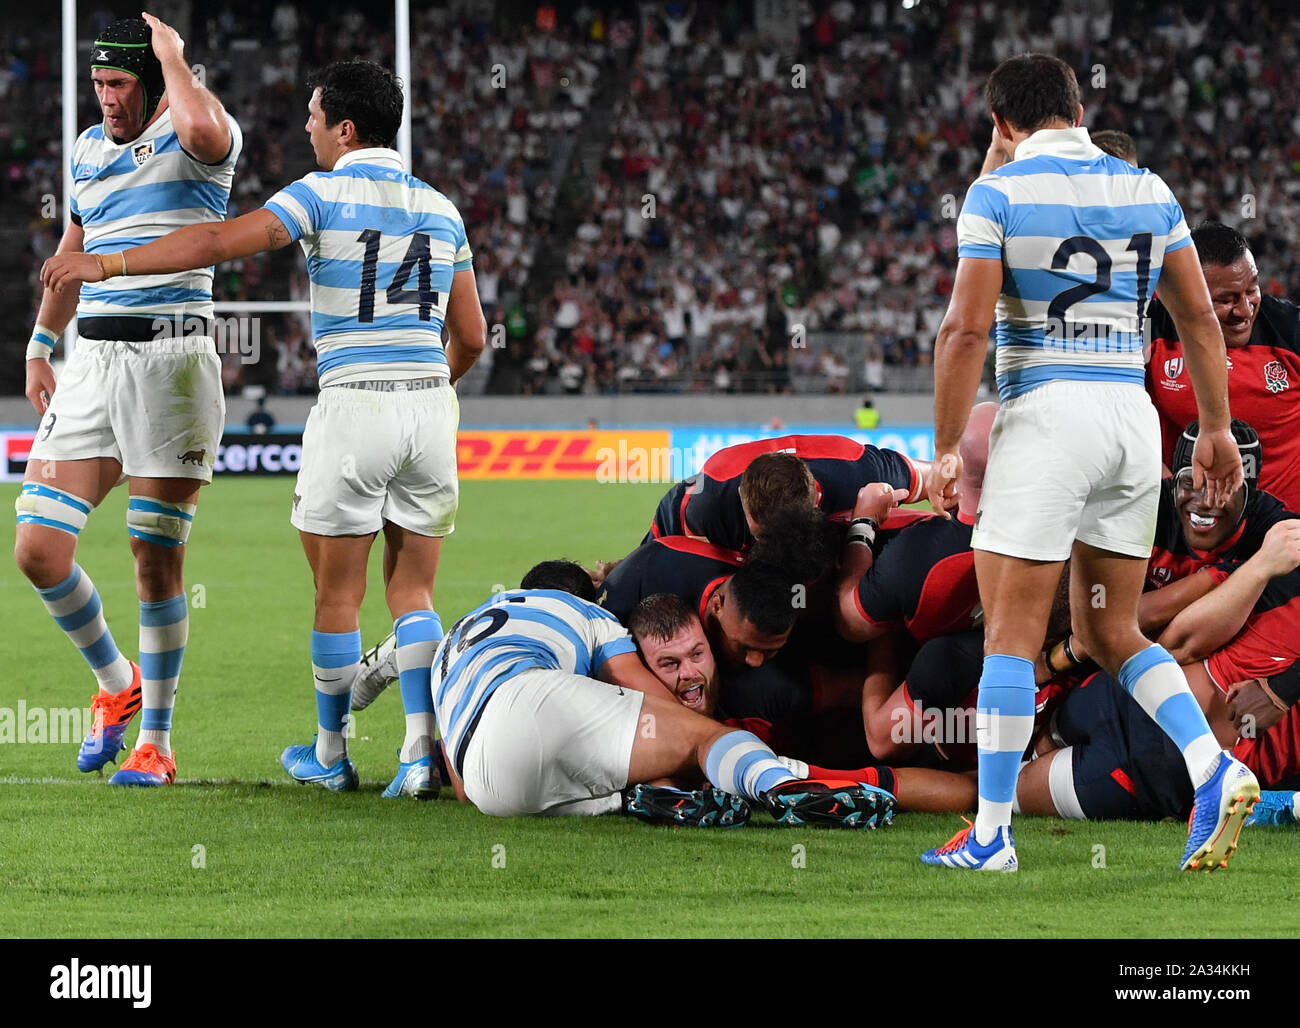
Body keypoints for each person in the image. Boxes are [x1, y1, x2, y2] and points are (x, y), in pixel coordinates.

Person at [44, 59, 488, 798]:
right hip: (431, 405)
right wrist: (430, 388)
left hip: (356, 402)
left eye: (314, 118)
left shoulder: (320, 191)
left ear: (346, 129)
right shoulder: (442, 209)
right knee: (413, 593)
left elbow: (218, 243)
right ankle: (417, 755)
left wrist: (109, 261)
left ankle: (332, 752)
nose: (307, 129)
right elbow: (471, 335)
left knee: (336, 595)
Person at [923, 53, 1253, 873]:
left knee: (1009, 636)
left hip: (1046, 419)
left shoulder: (995, 195)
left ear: (1000, 124)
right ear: (1077, 108)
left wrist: (939, 447)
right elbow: (1201, 321)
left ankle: (993, 836)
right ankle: (1214, 765)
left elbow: (964, 332)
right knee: (1111, 627)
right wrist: (1215, 429)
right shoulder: (1147, 188)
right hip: (1129, 424)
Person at [15, 14, 242, 786]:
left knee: (153, 558)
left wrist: (175, 59)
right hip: (93, 361)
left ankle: (158, 741)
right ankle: (116, 686)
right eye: (100, 83)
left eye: (120, 83)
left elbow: (206, 128)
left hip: (171, 362)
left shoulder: (194, 132)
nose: (108, 98)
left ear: (151, 82)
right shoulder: (84, 149)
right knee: (38, 550)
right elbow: (70, 251)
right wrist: (42, 343)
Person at [431, 560, 896, 828]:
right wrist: (700, 740)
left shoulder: (451, 644)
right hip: (528, 696)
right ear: (588, 594)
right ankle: (781, 786)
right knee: (694, 739)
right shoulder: (584, 612)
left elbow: (464, 791)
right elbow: (643, 691)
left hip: (489, 785)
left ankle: (641, 798)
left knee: (593, 772)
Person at [626, 592, 979, 815]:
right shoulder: (638, 726)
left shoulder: (763, 689)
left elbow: (860, 690)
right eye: (669, 664)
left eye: (697, 654)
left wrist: (883, 641)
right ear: (642, 670)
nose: (689, 673)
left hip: (884, 754)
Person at [1146, 222, 1300, 513]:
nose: (1244, 310)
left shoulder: (1290, 331)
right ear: (1187, 295)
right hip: (1186, 530)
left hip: (1285, 532)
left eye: (1252, 290)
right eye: (1225, 300)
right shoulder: (1152, 331)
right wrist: (1164, 492)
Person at [644, 434, 927, 550]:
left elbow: (938, 474)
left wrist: (948, 490)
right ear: (744, 500)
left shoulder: (862, 473)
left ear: (816, 501)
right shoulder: (705, 505)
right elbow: (652, 562)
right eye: (763, 537)